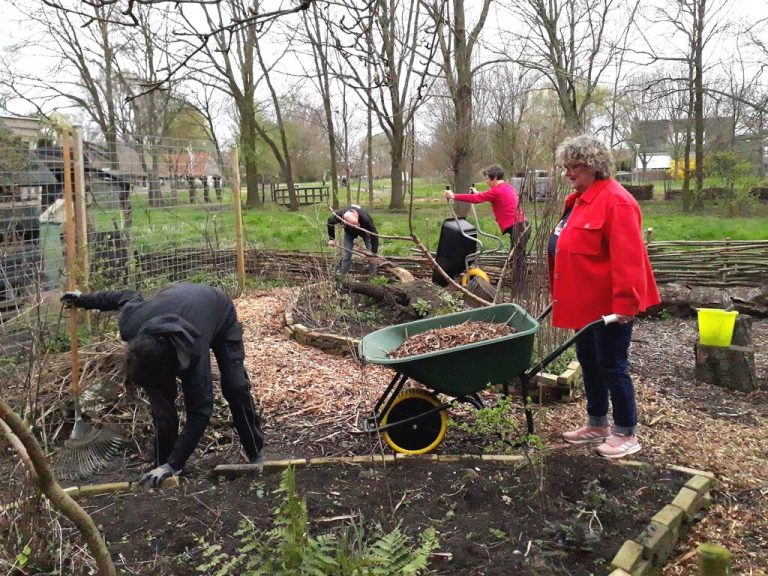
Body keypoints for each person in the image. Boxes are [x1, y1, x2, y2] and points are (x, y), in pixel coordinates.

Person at [61, 282, 265, 486]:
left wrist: (174, 464)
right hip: (175, 303)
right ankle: (161, 463)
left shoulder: (192, 354)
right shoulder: (132, 323)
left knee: (235, 387)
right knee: (161, 407)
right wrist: (84, 299)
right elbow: (125, 295)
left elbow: (201, 410)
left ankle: (254, 451)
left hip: (217, 310)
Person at [550, 134, 660, 459]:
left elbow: (629, 259)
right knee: (588, 362)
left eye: (576, 166)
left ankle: (627, 432)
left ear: (596, 166)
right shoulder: (579, 200)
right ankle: (597, 424)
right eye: (566, 167)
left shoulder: (617, 201)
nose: (569, 173)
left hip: (609, 306)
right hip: (583, 302)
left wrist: (626, 304)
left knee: (613, 365)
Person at [444, 164, 529, 278]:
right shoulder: (507, 187)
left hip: (518, 228)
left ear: (494, 178)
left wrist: (454, 196)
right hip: (522, 226)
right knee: (516, 259)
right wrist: (478, 193)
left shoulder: (497, 191)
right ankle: (518, 282)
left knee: (517, 261)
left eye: (488, 178)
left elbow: (477, 199)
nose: (486, 182)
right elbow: (487, 196)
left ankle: (520, 285)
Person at [327, 204, 379, 275]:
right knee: (347, 254)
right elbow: (330, 221)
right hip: (349, 233)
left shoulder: (365, 219)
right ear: (344, 221)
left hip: (364, 231)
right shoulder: (339, 215)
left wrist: (374, 251)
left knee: (372, 255)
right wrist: (332, 239)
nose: (354, 227)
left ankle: (372, 276)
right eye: (352, 225)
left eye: (355, 225)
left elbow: (374, 235)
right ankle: (343, 275)